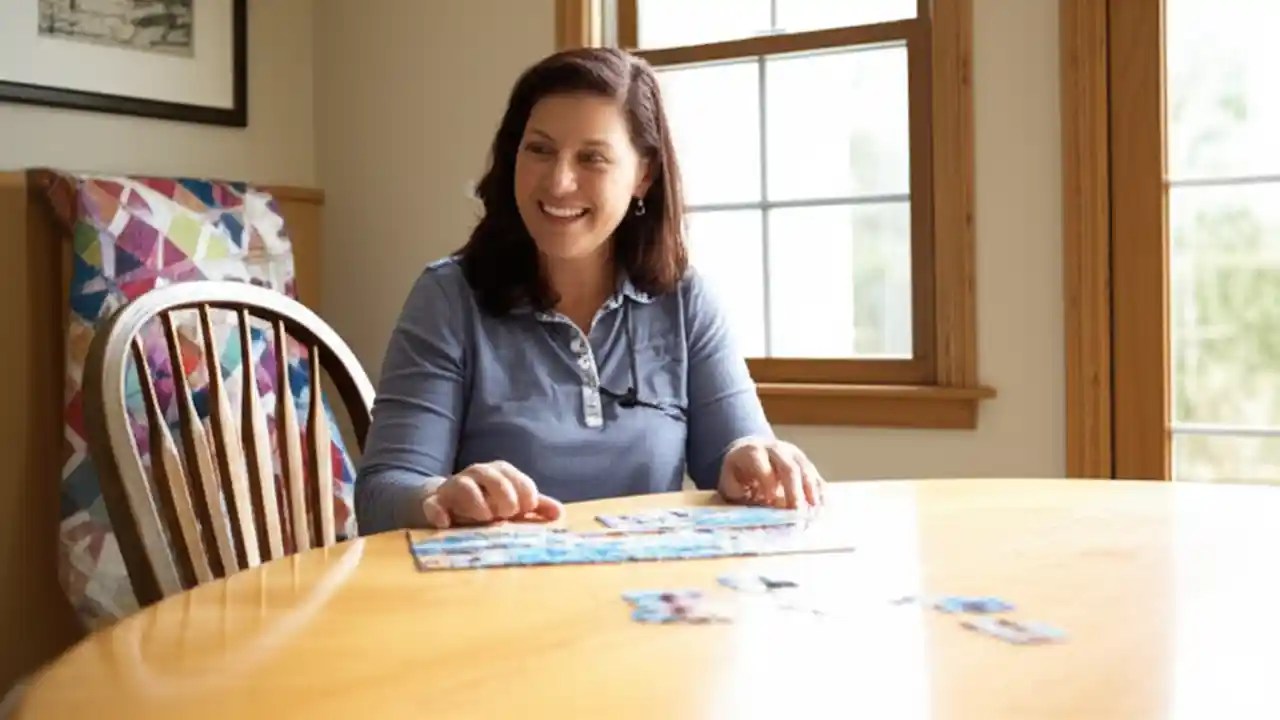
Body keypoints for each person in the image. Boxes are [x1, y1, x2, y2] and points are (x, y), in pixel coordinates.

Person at [354, 47, 826, 534]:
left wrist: (753, 460)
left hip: (650, 597)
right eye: (539, 149)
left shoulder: (686, 300)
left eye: (592, 158)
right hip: (498, 601)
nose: (559, 182)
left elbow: (736, 458)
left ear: (644, 175)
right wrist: (438, 496)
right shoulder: (448, 298)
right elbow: (381, 494)